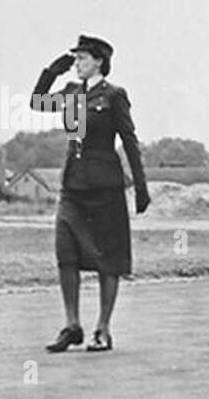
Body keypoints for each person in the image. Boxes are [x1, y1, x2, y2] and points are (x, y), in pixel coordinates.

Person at [31, 35, 148, 353]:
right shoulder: (70, 93)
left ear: (98, 61)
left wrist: (140, 185)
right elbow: (37, 102)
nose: (77, 63)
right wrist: (50, 72)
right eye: (76, 58)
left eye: (82, 58)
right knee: (65, 253)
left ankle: (103, 329)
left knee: (107, 259)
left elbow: (129, 139)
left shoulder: (113, 95)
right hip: (73, 186)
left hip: (105, 187)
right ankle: (72, 326)